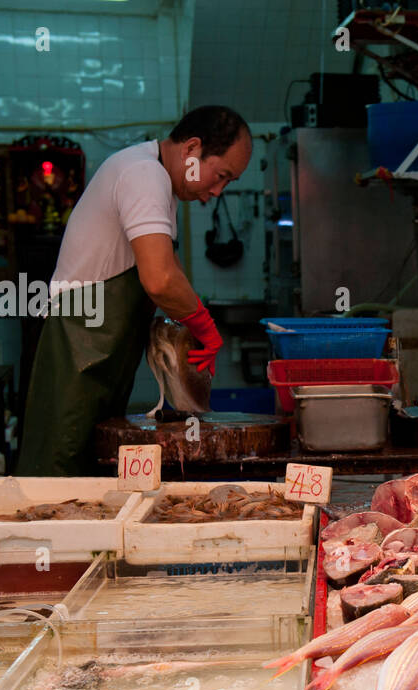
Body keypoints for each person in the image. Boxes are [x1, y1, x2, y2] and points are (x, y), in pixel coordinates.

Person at [16, 105, 252, 476]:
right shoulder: (143, 175)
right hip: (76, 355)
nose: (216, 192)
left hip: (96, 357)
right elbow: (159, 279)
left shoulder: (154, 179)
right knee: (55, 478)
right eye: (220, 176)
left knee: (83, 480)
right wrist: (204, 327)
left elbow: (168, 273)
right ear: (192, 148)